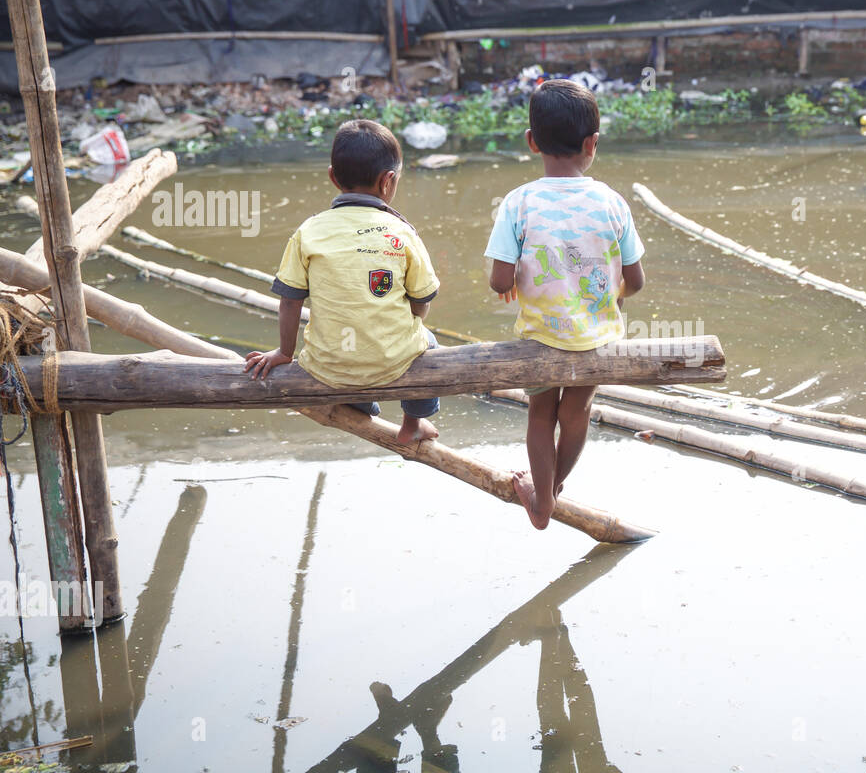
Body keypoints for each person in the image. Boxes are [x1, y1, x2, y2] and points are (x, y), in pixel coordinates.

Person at [484, 78, 645, 529]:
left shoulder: (519, 203)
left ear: (532, 142)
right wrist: (607, 296)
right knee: (576, 415)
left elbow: (499, 279)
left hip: (540, 339)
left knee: (541, 413)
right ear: (593, 143)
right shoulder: (613, 202)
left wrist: (514, 282)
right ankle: (550, 491)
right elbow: (635, 279)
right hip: (595, 340)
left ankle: (542, 502)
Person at [245, 119, 441, 445]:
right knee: (429, 346)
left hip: (328, 363)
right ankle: (412, 424)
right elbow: (423, 297)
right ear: (388, 181)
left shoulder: (309, 231)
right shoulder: (401, 232)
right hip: (393, 357)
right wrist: (415, 321)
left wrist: (284, 351)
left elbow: (290, 300)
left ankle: (360, 403)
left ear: (333, 177)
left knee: (345, 354)